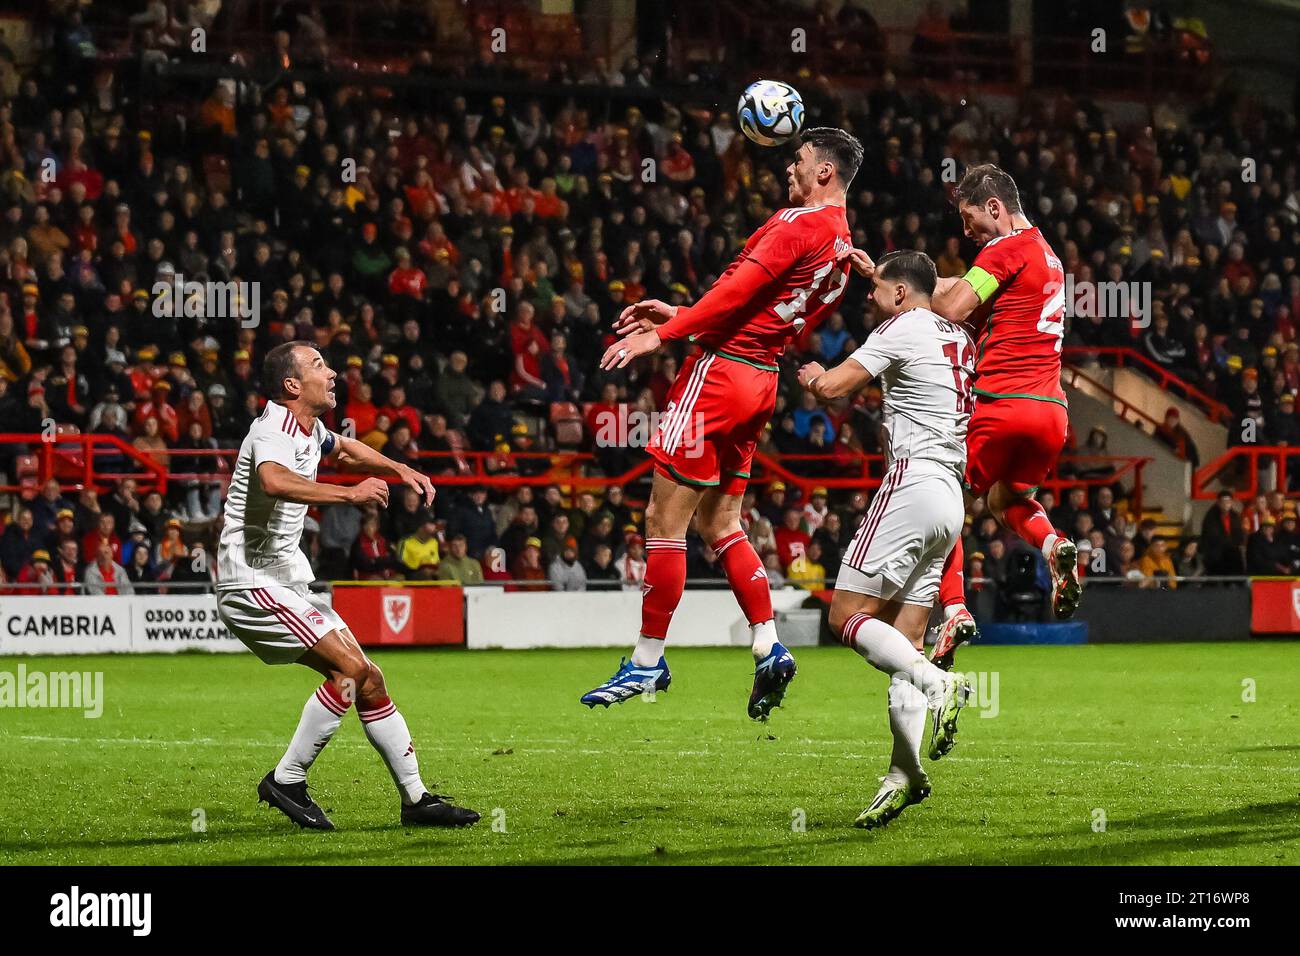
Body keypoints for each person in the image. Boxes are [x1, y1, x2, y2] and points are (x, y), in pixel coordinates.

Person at [580, 127, 863, 717]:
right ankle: (767, 643)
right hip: (760, 381)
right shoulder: (841, 247)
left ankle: (646, 659)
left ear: (826, 173)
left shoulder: (797, 225)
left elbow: (735, 293)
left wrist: (666, 332)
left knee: (663, 518)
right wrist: (686, 312)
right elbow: (760, 311)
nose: (789, 169)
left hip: (719, 376)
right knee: (723, 522)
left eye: (799, 161)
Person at [214, 341, 478, 830]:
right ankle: (286, 779)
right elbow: (273, 481)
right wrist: (349, 494)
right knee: (352, 669)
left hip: (285, 577)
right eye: (319, 365)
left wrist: (398, 468)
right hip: (251, 579)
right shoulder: (271, 427)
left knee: (366, 679)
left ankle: (416, 800)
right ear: (292, 385)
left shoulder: (309, 428)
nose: (332, 372)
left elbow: (346, 450)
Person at [847, 164, 1076, 668]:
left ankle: (952, 609)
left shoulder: (1004, 248)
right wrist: (888, 277)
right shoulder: (1048, 255)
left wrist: (903, 288)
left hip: (1001, 403)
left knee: (944, 497)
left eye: (972, 221)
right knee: (1007, 498)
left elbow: (951, 307)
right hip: (1051, 412)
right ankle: (1053, 541)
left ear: (995, 207)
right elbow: (964, 287)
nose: (968, 235)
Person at [798, 249, 973, 828]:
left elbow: (833, 388)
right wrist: (881, 269)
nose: (869, 302)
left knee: (844, 615)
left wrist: (810, 377)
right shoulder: (961, 338)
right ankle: (904, 775)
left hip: (912, 483)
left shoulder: (900, 327)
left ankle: (940, 684)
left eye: (877, 291)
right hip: (951, 497)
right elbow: (924, 283)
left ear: (901, 294)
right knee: (905, 643)